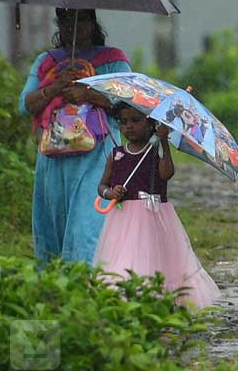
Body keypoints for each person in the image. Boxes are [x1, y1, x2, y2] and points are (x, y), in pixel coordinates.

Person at [18, 8, 131, 266]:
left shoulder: (113, 61)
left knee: (86, 226)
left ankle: (88, 288)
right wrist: (56, 87)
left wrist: (89, 94)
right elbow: (25, 105)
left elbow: (128, 105)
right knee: (53, 225)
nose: (74, 28)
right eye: (67, 21)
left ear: (92, 24)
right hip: (54, 160)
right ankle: (54, 293)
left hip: (97, 159)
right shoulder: (47, 62)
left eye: (81, 21)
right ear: (60, 25)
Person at [93, 103, 221, 310]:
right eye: (123, 122)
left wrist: (162, 141)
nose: (129, 127)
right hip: (123, 220)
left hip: (152, 216)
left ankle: (157, 299)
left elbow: (166, 174)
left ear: (151, 123)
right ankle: (124, 297)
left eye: (136, 120)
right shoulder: (116, 154)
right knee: (125, 256)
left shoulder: (156, 151)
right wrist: (110, 192)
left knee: (153, 255)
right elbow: (102, 185)